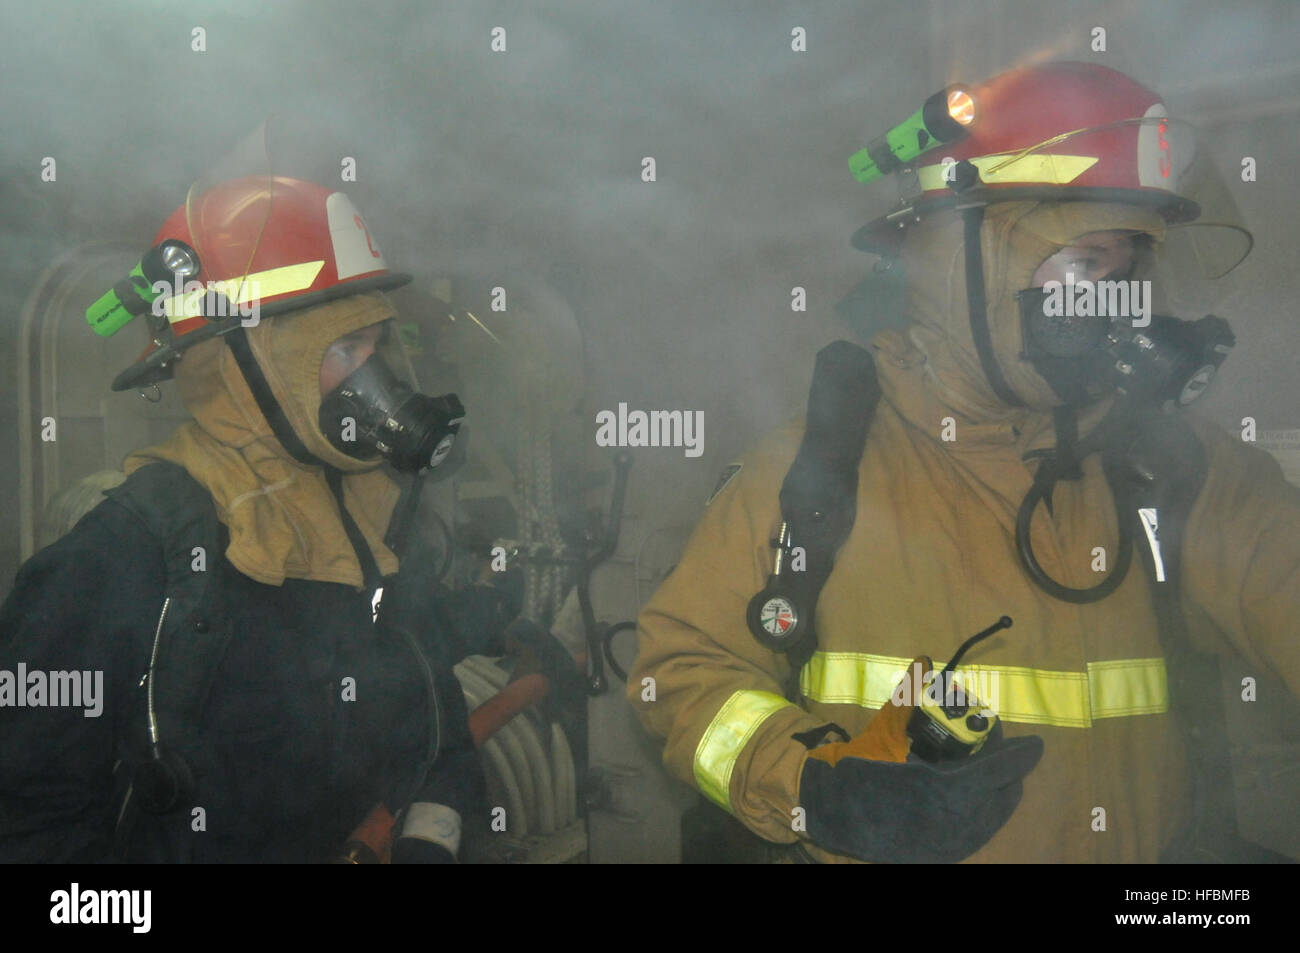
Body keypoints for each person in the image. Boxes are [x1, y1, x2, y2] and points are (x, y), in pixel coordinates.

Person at [629, 62, 1300, 863]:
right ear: (963, 261)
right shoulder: (818, 466)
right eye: (1083, 264)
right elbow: (680, 674)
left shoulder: (1176, 464)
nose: (1112, 305)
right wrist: (814, 786)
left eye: (1125, 269)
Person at [0, 176, 485, 863]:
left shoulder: (367, 529)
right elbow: (28, 823)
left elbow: (437, 736)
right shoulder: (123, 554)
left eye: (377, 345)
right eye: (343, 351)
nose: (373, 382)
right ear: (243, 368)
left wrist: (430, 840)